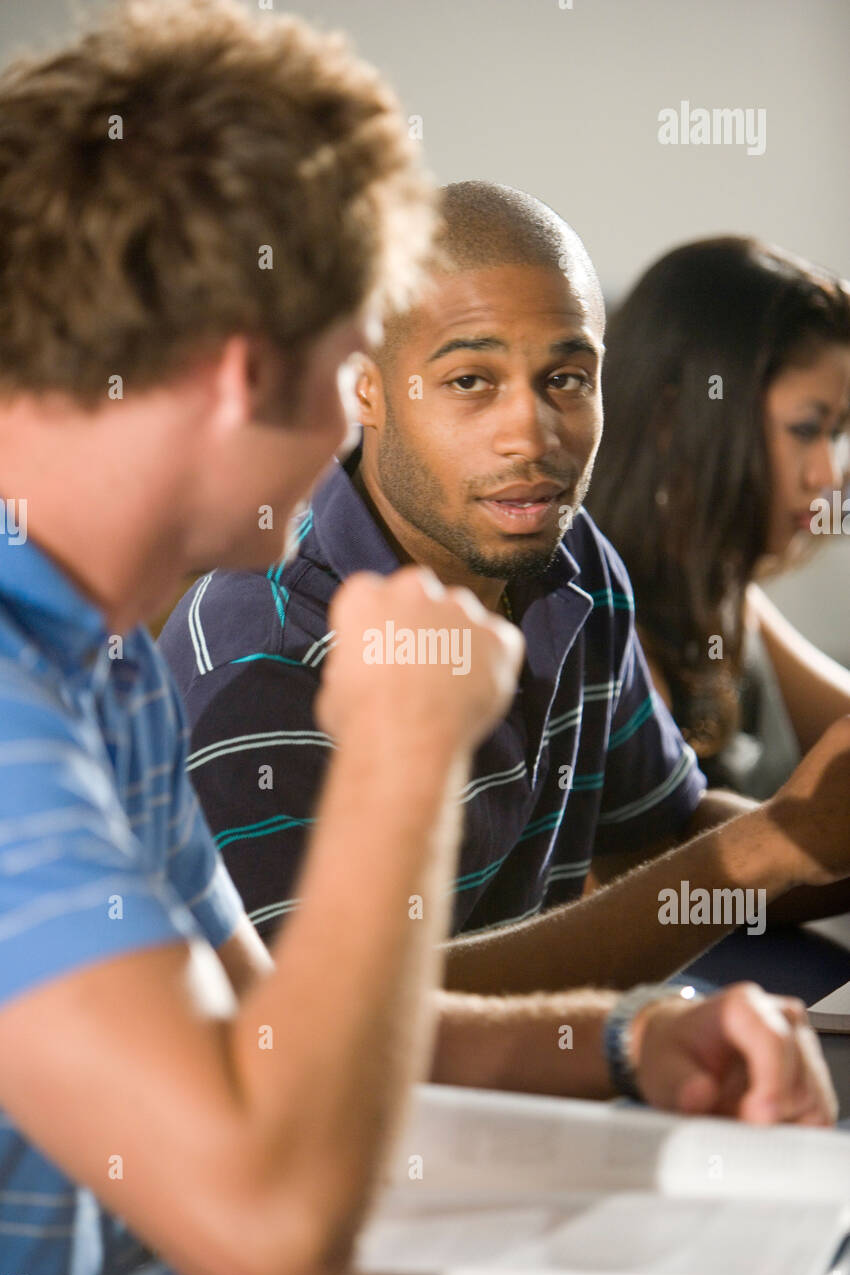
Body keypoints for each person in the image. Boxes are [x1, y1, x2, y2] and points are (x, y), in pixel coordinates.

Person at [0, 0, 526, 1275]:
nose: (353, 423)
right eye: (352, 365)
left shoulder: (97, 647)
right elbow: (271, 1222)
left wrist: (620, 1043)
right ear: (241, 376)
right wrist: (403, 746)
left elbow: (263, 1029)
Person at [160, 181, 850, 1013]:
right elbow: (332, 1029)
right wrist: (774, 846)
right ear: (366, 389)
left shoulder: (575, 561)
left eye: (566, 378)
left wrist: (811, 834)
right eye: (469, 381)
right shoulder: (266, 655)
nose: (533, 436)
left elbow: (656, 836)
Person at [588, 237, 850, 800]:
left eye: (837, 433)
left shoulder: (724, 586)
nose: (828, 475)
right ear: (675, 416)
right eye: (807, 428)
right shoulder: (601, 620)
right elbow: (658, 875)